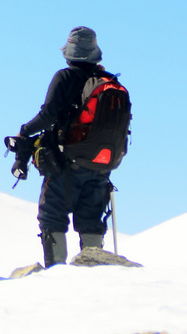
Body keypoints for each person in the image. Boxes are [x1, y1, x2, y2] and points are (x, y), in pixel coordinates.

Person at [17, 26, 115, 268]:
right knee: (91, 220)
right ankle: (95, 270)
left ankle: (56, 273)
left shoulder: (65, 77)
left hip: (66, 164)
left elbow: (48, 115)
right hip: (100, 167)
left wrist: (24, 131)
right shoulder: (109, 82)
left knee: (52, 215)